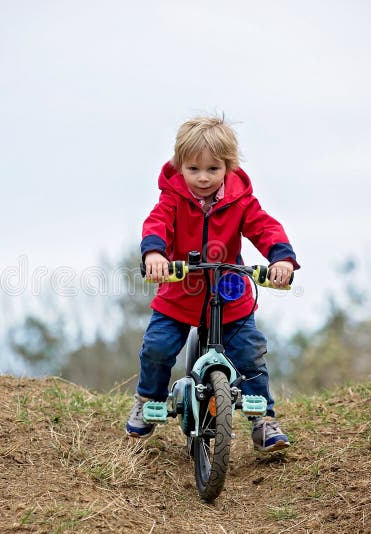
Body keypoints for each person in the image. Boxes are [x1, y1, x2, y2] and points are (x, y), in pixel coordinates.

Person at [125, 115, 300, 452]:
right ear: (179, 167)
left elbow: (265, 228)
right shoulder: (173, 198)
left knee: (250, 352)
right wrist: (155, 255)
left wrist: (281, 258)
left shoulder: (240, 200)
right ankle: (148, 400)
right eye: (193, 169)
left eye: (212, 169)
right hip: (180, 292)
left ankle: (263, 420)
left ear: (228, 167)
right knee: (157, 347)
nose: (202, 178)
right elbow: (157, 224)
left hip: (228, 294)